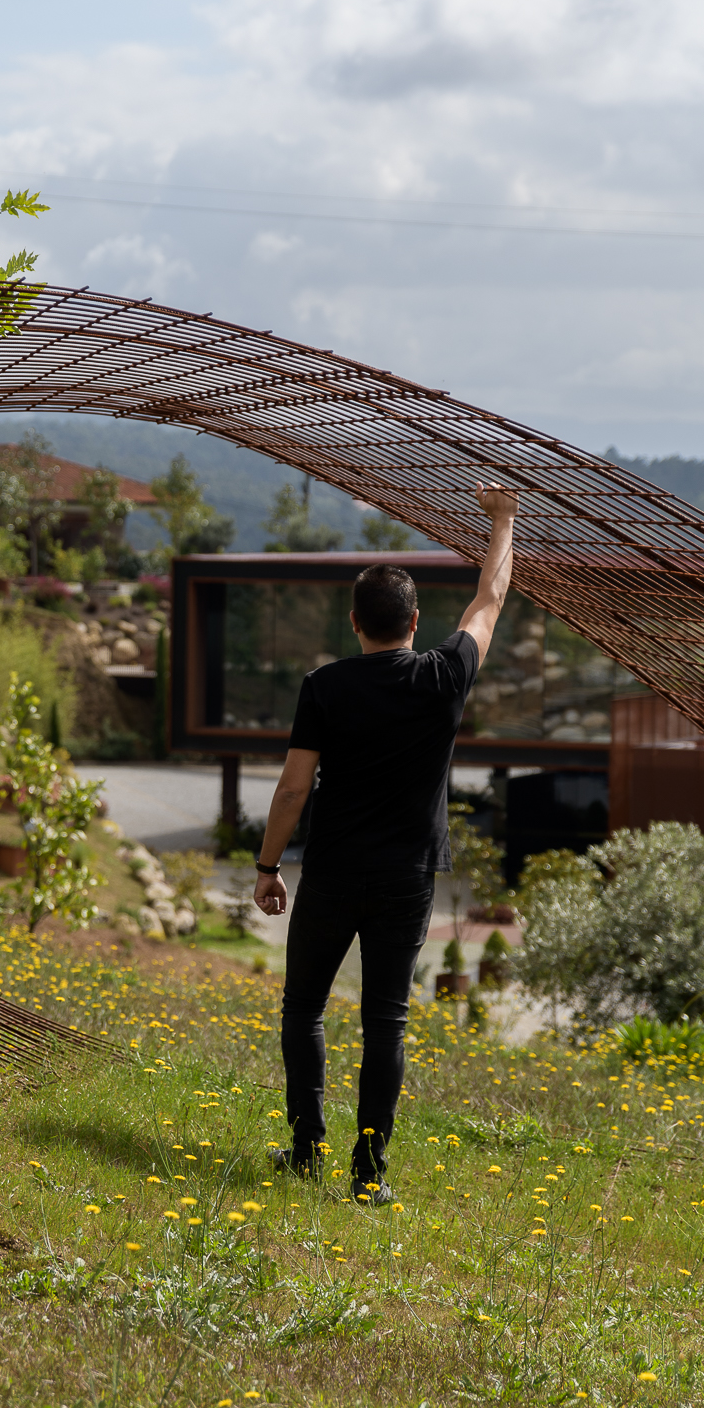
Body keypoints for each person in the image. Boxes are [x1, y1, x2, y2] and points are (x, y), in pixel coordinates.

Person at [252, 484, 519, 1204]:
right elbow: (488, 604)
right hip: (407, 878)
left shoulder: (324, 686)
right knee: (384, 1025)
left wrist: (268, 865)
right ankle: (367, 1176)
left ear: (354, 623)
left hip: (333, 871)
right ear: (412, 621)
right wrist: (502, 521)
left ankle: (305, 1148)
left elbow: (291, 789)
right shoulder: (442, 676)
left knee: (304, 1007)